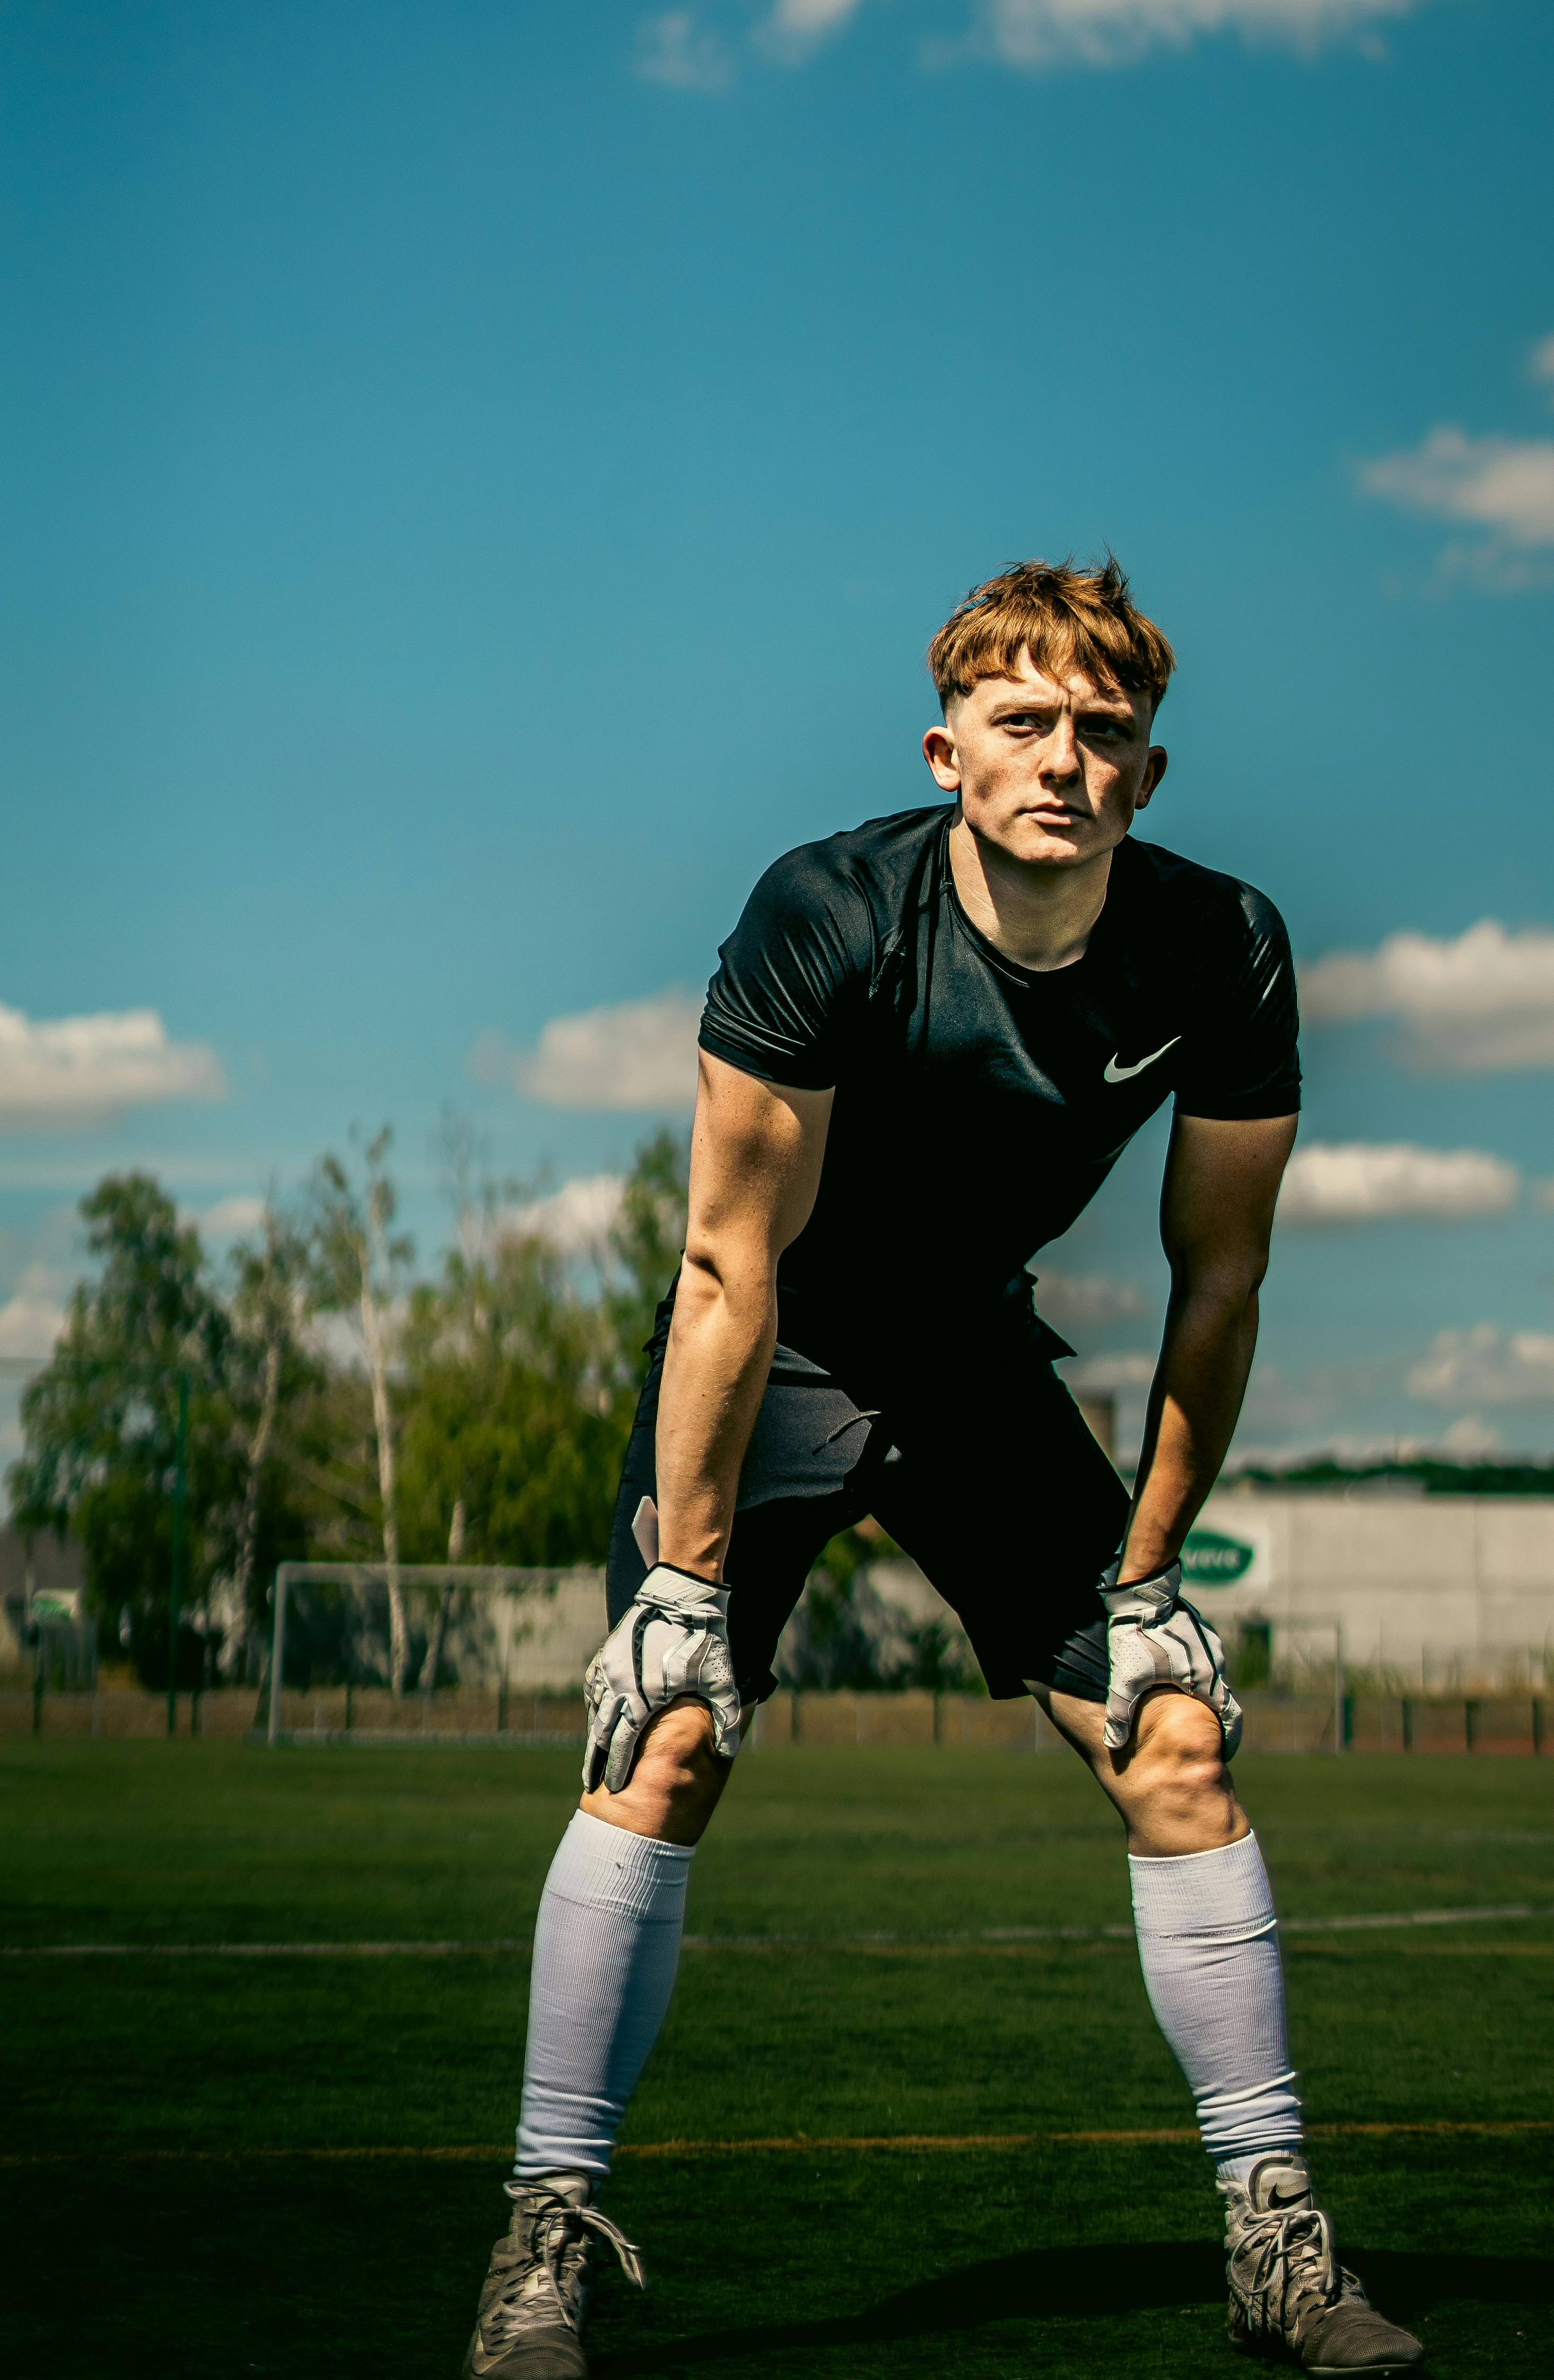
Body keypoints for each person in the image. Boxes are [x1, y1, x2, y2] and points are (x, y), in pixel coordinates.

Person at [461, 556, 1421, 2377]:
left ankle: (1280, 2243)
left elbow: (1223, 1284)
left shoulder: (1223, 947)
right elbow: (730, 1265)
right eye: (1023, 721)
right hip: (787, 1345)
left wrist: (1147, 1586)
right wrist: (681, 1581)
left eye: (1102, 730)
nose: (1062, 756)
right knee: (666, 1736)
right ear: (949, 748)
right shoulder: (827, 911)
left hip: (975, 1362)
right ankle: (543, 2245)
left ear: (1148, 773)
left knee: (1178, 1744)